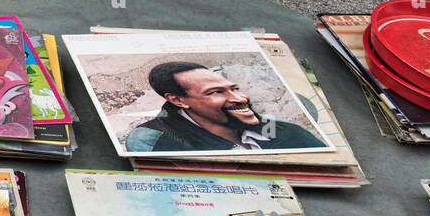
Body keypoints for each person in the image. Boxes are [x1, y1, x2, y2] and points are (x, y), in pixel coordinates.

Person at [124, 61, 327, 153]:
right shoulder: (154, 139)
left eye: (234, 89)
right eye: (215, 92)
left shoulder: (284, 130)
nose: (239, 98)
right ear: (178, 100)